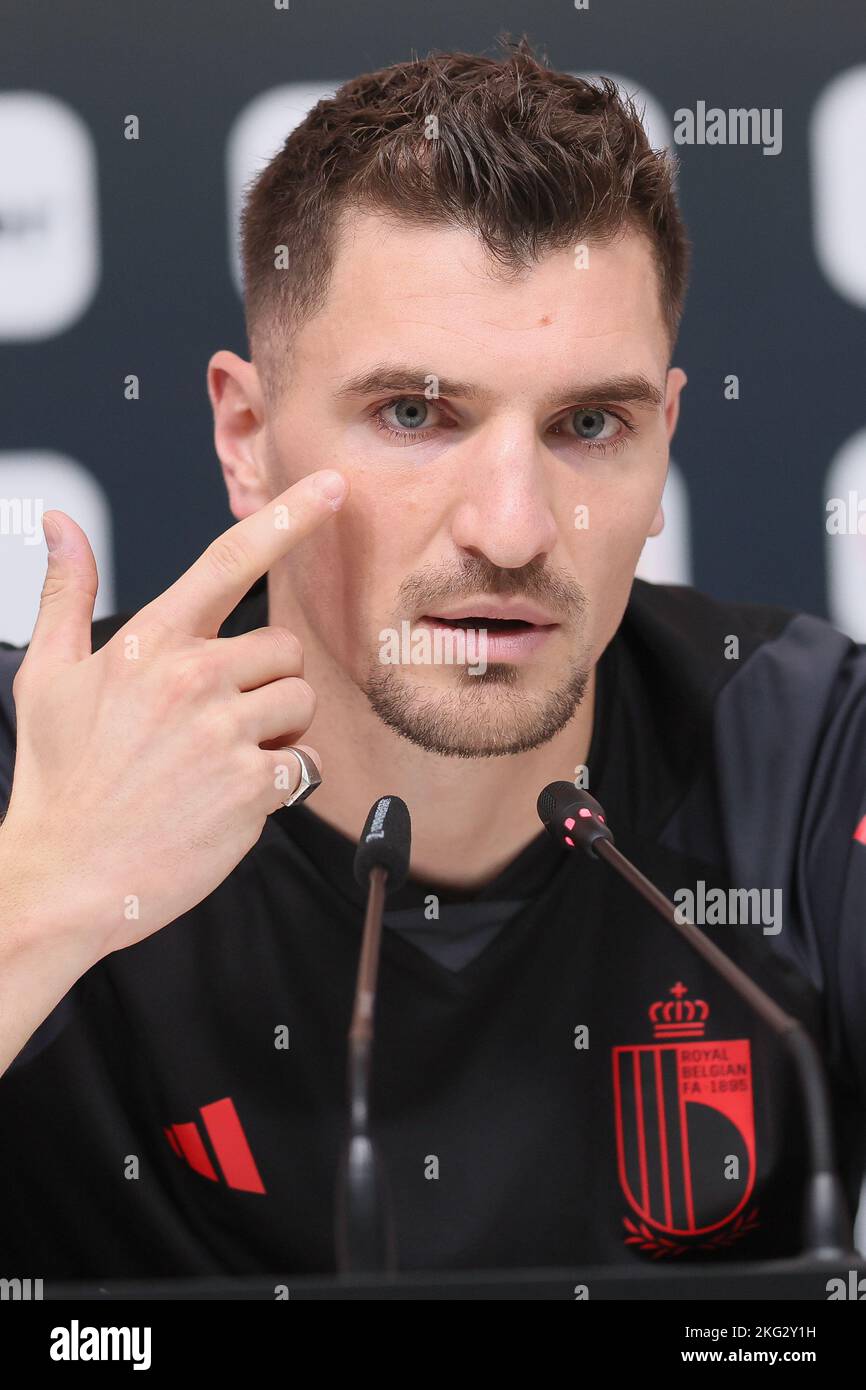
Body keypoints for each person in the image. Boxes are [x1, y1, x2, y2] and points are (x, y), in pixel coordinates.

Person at [0, 39, 864, 1281]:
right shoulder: (36, 776)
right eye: (414, 414)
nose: (509, 528)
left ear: (662, 443)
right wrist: (39, 902)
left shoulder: (804, 750)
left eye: (587, 425)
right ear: (246, 436)